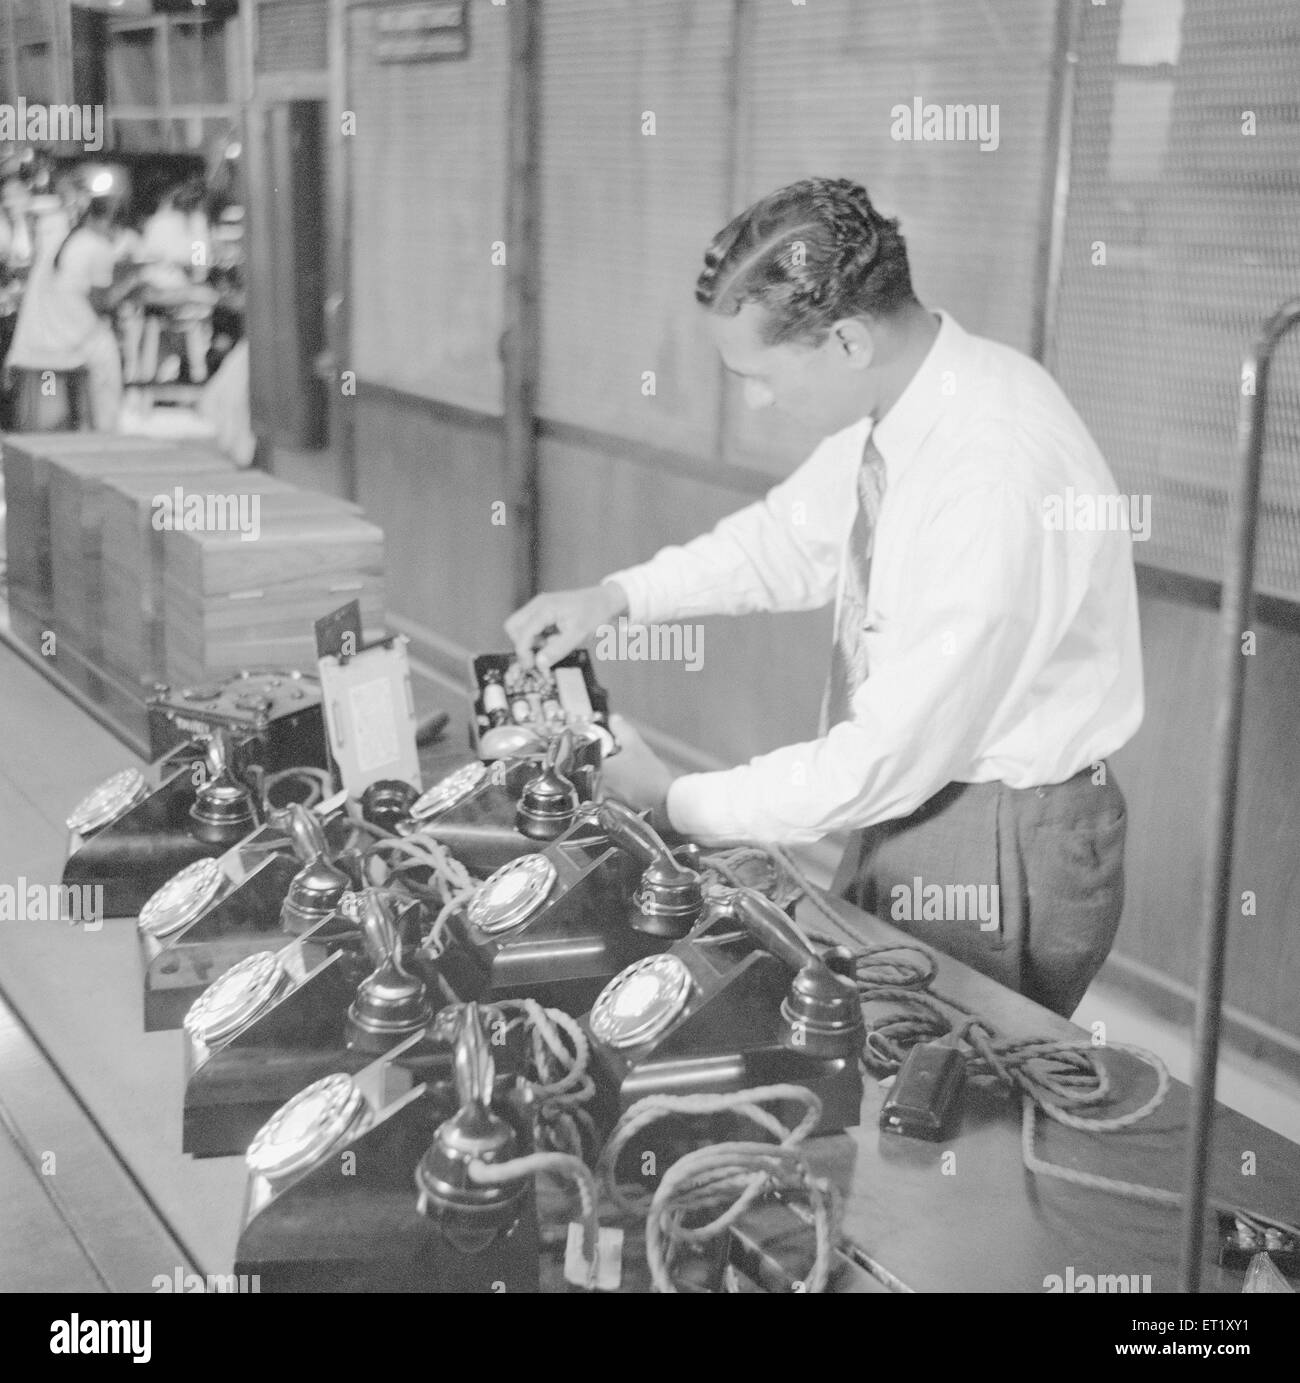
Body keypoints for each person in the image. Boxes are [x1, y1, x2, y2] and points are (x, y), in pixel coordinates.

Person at [505, 176, 1144, 1018]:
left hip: (996, 837)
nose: (757, 401)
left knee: (938, 1088)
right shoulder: (922, 397)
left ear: (845, 340)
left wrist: (672, 798)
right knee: (879, 1041)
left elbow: (880, 759)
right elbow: (786, 539)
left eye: (760, 376)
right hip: (925, 802)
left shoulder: (994, 473)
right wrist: (619, 597)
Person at [5, 194, 140, 431]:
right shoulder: (97, 247)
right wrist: (133, 280)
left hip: (38, 341)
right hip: (70, 343)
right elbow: (103, 303)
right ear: (109, 222)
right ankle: (105, 429)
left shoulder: (59, 241)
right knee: (107, 351)